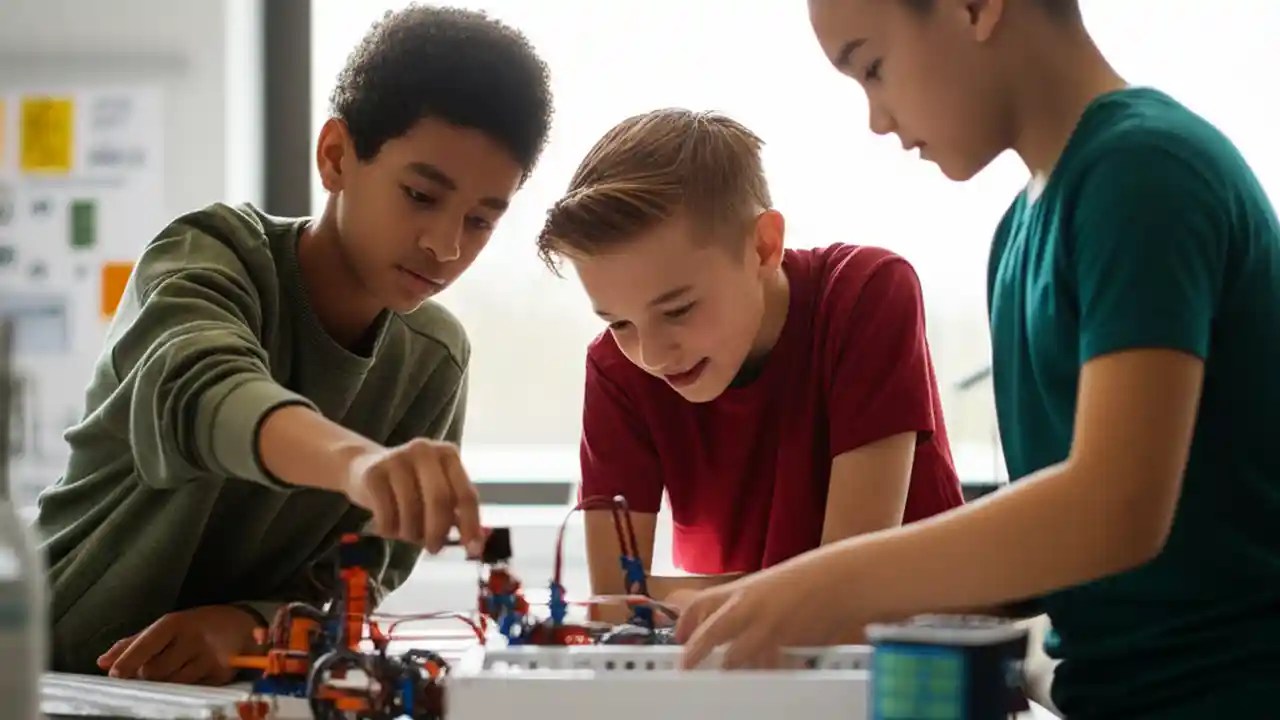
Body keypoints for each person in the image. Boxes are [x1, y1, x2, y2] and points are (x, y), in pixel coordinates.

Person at [675, 1, 1280, 717]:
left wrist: (833, 581)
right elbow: (1048, 558)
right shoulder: (1018, 237)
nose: (878, 118)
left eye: (873, 67)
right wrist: (763, 608)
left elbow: (1115, 508)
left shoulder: (1145, 174)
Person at [35, 4, 553, 683]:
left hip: (222, 695)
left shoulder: (433, 359)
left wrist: (247, 625)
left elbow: (357, 581)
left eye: (482, 220)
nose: (447, 245)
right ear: (336, 157)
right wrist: (360, 465)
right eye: (422, 194)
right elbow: (204, 393)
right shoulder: (210, 255)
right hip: (43, 669)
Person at [535, 108, 964, 621]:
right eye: (619, 323)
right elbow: (613, 602)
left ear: (764, 247)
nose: (651, 354)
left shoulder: (867, 293)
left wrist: (673, 596)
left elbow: (849, 588)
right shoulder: (616, 369)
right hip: (746, 660)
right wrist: (806, 585)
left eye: (678, 310)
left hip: (916, 653)